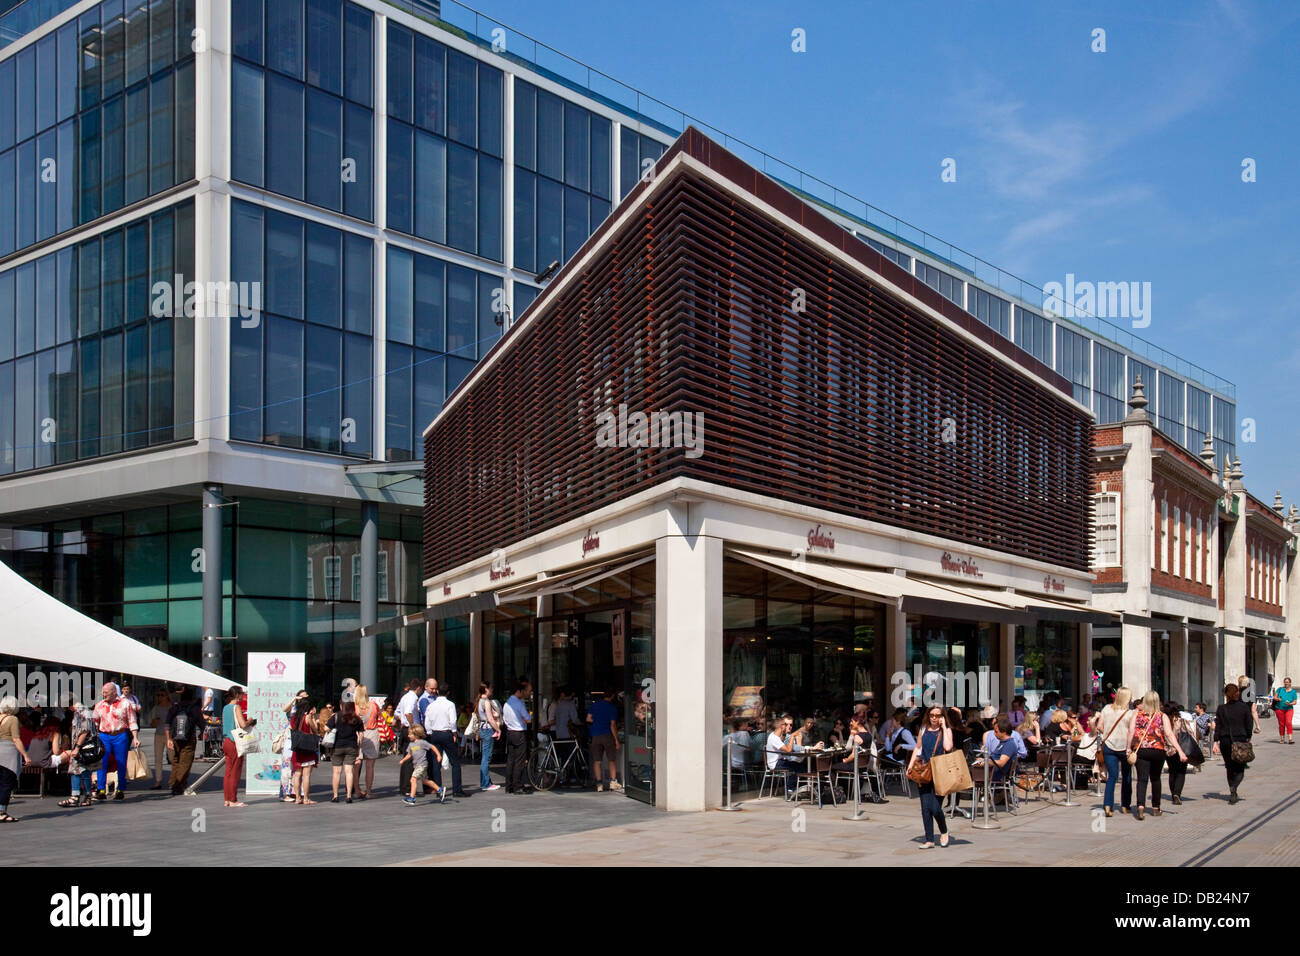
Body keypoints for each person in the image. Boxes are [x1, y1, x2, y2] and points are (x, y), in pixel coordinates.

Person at [1127, 691, 1187, 820]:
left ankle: (1141, 806)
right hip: (1158, 751)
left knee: (1142, 779)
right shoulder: (1162, 716)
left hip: (1141, 750)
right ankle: (1156, 807)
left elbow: (1131, 731)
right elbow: (1169, 734)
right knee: (1155, 778)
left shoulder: (1136, 714)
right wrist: (1180, 751)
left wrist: (1128, 748)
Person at [907, 705, 953, 849]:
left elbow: (948, 747)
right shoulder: (923, 729)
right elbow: (917, 747)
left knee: (935, 807)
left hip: (940, 773)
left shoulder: (946, 730)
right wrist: (910, 765)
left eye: (938, 715)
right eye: (932, 715)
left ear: (942, 716)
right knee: (925, 807)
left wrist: (944, 727)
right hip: (924, 771)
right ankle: (929, 839)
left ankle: (944, 830)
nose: (934, 718)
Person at [92, 682, 139, 802]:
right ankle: (101, 790)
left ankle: (120, 789)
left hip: (120, 735)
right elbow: (95, 722)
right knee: (102, 762)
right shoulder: (99, 705)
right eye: (102, 692)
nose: (104, 695)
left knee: (121, 762)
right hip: (104, 735)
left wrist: (135, 737)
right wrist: (95, 737)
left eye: (106, 693)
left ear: (114, 692)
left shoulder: (125, 704)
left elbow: (132, 721)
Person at [1096, 686, 1135, 818]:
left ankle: (1107, 805)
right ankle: (1125, 805)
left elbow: (1099, 726)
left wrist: (1107, 734)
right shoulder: (1130, 713)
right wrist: (1129, 747)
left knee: (1111, 777)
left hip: (1108, 745)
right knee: (1126, 776)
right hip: (1124, 746)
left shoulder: (1106, 708)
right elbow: (1131, 732)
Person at [1214, 683, 1255, 805]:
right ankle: (1234, 788)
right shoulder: (1243, 707)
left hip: (1226, 740)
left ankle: (1232, 788)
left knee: (1229, 766)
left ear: (1226, 694)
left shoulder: (1221, 708)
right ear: (1237, 693)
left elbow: (1218, 726)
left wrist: (1215, 741)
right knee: (1240, 766)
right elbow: (1249, 723)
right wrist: (1248, 736)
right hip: (1240, 739)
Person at [424, 680, 466, 798]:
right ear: (448, 693)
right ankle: (457, 790)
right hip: (446, 733)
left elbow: (427, 722)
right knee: (455, 762)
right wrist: (454, 733)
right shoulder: (450, 704)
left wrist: (430, 733)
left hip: (435, 734)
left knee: (436, 762)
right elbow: (453, 721)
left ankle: (439, 790)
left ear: (437, 691)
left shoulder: (431, 705)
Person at [164, 688, 204, 796]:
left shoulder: (175, 707)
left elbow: (167, 723)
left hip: (175, 737)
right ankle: (178, 786)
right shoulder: (194, 708)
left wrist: (168, 739)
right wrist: (201, 733)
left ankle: (173, 783)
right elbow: (202, 724)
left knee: (176, 760)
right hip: (189, 738)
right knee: (185, 763)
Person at [58, 702, 97, 808]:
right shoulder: (77, 713)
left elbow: (84, 732)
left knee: (84, 771)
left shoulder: (84, 712)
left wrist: (77, 748)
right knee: (75, 770)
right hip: (80, 747)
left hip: (85, 748)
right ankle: (76, 796)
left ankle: (86, 796)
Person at [0, 696, 31, 822]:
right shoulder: (13, 719)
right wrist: (25, 755)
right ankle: (2, 811)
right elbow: (16, 739)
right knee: (7, 783)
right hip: (8, 754)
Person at [222, 686, 254, 808]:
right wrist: (250, 720)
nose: (243, 695)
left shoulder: (225, 708)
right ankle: (233, 799)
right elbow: (243, 724)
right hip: (235, 741)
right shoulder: (237, 707)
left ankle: (227, 799)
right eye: (241, 693)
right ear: (237, 695)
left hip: (226, 741)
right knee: (235, 771)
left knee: (228, 772)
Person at [327, 702, 363, 803]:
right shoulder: (356, 718)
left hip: (337, 746)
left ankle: (335, 795)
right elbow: (361, 735)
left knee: (336, 772)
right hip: (351, 746)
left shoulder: (336, 716)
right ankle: (348, 796)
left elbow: (326, 728)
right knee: (349, 772)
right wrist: (359, 748)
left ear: (341, 706)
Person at [588, 688, 622, 792]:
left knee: (597, 761)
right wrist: (616, 740)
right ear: (612, 696)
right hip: (608, 735)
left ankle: (599, 785)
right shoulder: (612, 708)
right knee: (611, 760)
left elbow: (588, 719)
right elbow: (612, 725)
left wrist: (597, 721)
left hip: (596, 736)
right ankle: (613, 782)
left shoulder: (594, 705)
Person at [399, 726, 445, 805]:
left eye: (410, 734)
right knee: (425, 781)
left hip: (422, 765)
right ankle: (439, 790)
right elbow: (409, 754)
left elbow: (432, 747)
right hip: (416, 765)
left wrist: (438, 755)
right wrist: (403, 760)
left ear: (416, 734)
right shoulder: (411, 745)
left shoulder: (422, 742)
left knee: (413, 779)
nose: (408, 736)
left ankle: (412, 798)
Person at [502, 679, 533, 794]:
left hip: (510, 732)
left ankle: (509, 786)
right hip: (519, 733)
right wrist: (524, 720)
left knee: (510, 760)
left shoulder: (506, 704)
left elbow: (504, 719)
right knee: (519, 761)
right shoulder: (519, 704)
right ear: (519, 691)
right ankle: (517, 786)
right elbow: (528, 719)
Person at [765, 715, 805, 797]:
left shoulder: (776, 736)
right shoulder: (774, 738)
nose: (787, 726)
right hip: (775, 764)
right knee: (800, 768)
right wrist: (792, 736)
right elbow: (788, 750)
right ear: (781, 726)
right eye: (785, 724)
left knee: (800, 766)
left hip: (780, 761)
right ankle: (790, 788)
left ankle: (793, 788)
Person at [1162, 702, 1194, 805]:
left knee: (1172, 771)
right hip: (1182, 748)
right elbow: (1190, 732)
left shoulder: (1163, 721)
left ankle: (1173, 793)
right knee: (1181, 772)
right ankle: (1177, 793)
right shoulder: (1181, 720)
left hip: (1169, 749)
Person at [289, 700, 320, 805]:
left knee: (297, 774)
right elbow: (315, 730)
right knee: (306, 775)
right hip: (307, 748)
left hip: (297, 749)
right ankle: (306, 798)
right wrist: (314, 719)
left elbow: (291, 729)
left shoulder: (293, 718)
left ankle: (297, 798)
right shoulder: (307, 717)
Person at [395, 678, 422, 795]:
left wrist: (403, 721)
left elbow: (397, 713)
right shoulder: (413, 698)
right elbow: (408, 712)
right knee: (411, 759)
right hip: (411, 730)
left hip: (405, 729)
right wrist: (412, 726)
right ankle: (407, 788)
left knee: (407, 757)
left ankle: (404, 787)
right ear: (419, 688)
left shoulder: (404, 697)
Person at [354, 685, 381, 798]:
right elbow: (379, 717)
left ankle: (356, 791)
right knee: (370, 765)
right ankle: (369, 791)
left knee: (356, 763)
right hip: (372, 733)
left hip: (358, 734)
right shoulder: (374, 705)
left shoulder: (355, 707)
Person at [476, 682, 502, 791]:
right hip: (487, 730)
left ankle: (485, 781)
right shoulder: (486, 701)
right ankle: (486, 783)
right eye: (490, 688)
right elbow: (490, 718)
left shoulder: (479, 701)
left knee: (485, 756)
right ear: (486, 689)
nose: (492, 690)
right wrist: (498, 729)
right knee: (486, 757)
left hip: (482, 729)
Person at [147, 688, 171, 790]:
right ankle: (158, 781)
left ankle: (173, 780)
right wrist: (154, 721)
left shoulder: (171, 707)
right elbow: (151, 724)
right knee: (158, 759)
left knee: (172, 757)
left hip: (170, 735)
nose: (160, 697)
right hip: (158, 734)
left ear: (167, 696)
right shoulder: (156, 708)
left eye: (162, 695)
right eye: (158, 695)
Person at [1271, 678, 1296, 744]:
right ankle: (1282, 738)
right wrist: (1278, 699)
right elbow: (1275, 697)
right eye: (1285, 682)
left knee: (1288, 722)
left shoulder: (1293, 692)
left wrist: (1290, 703)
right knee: (1281, 724)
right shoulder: (1280, 689)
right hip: (1279, 709)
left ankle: (1290, 738)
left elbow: (1295, 701)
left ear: (1290, 683)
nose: (1286, 683)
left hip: (1289, 709)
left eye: (1287, 682)